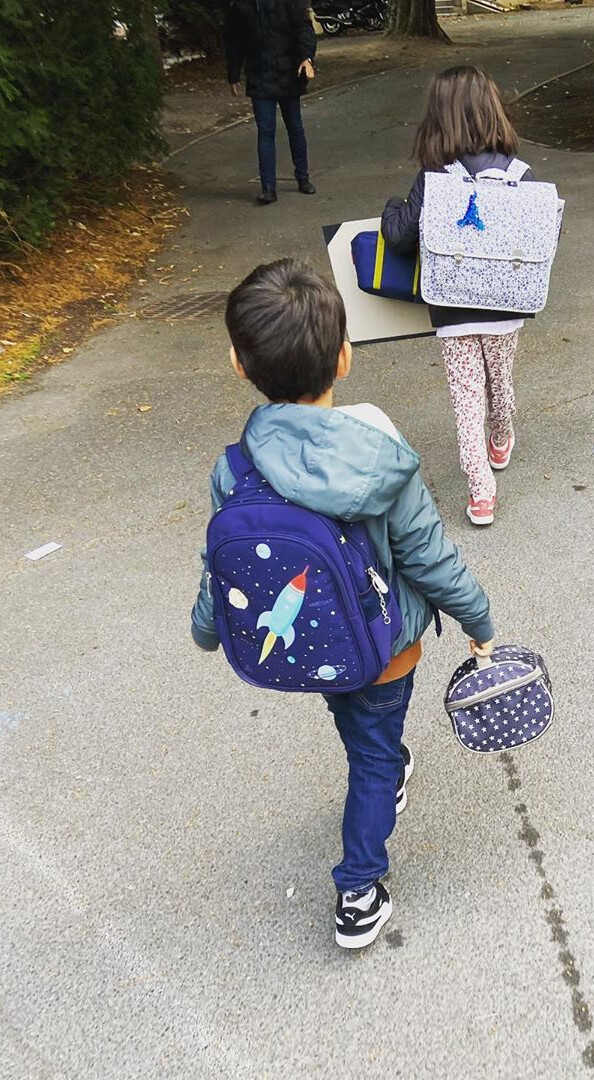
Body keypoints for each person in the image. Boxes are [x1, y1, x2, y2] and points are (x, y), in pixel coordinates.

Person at [190, 257, 496, 949]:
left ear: (239, 364)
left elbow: (220, 567)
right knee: (375, 752)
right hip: (386, 649)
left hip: (313, 650)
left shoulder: (234, 467)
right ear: (345, 357)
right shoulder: (380, 454)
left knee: (356, 722)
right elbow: (427, 555)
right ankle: (359, 890)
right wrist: (479, 623)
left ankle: (377, 761)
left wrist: (207, 629)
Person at [381, 66, 538, 527]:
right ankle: (502, 432)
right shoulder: (520, 176)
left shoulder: (434, 180)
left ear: (439, 118)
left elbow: (400, 236)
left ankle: (481, 493)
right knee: (500, 381)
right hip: (506, 306)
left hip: (452, 309)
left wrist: (393, 206)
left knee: (465, 397)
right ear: (492, 110)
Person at [224, 0, 318, 204]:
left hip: (288, 73)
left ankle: (303, 178)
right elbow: (235, 40)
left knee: (295, 127)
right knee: (265, 131)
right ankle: (268, 188)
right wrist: (233, 73)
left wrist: (306, 58)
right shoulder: (240, 5)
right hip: (259, 75)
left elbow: (303, 27)